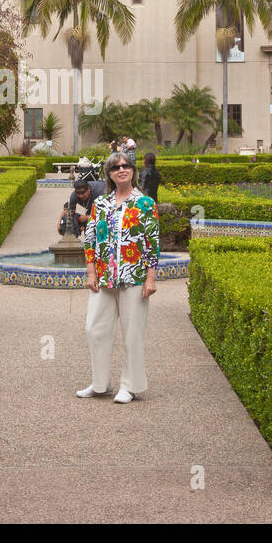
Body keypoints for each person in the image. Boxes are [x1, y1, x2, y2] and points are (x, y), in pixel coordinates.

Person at [77, 151, 160, 404]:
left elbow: (152, 242)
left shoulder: (145, 203)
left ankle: (130, 385)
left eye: (126, 165)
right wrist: (91, 271)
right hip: (103, 277)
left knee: (132, 333)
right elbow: (90, 238)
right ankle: (100, 383)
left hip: (134, 277)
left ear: (133, 171)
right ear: (109, 174)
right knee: (94, 328)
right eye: (116, 167)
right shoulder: (101, 204)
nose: (122, 169)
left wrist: (151, 278)